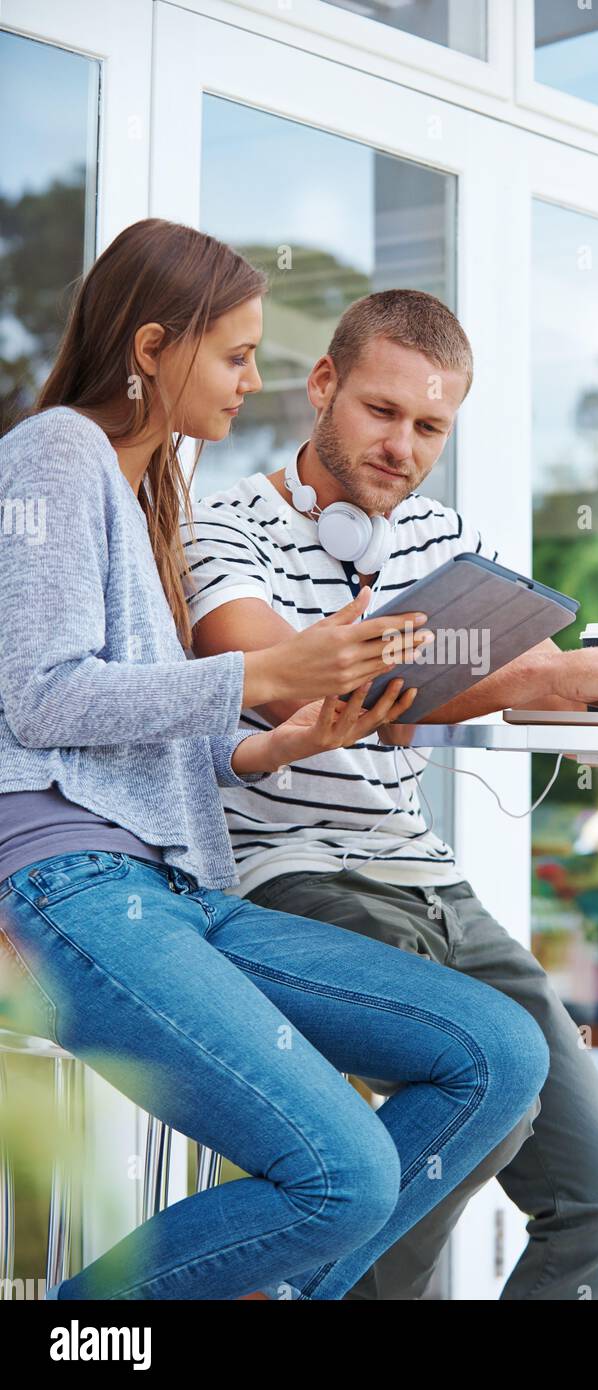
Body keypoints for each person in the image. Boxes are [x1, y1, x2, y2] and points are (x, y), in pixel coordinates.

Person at [0, 221, 550, 1301]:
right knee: (343, 1177)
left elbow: (155, 734)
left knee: (500, 1050)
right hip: (66, 888)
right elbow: (40, 693)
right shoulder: (54, 452)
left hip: (173, 892)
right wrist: (264, 673)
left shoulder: (145, 491)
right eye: (236, 353)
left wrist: (282, 738)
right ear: (153, 346)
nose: (255, 380)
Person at [183, 288, 598, 1300]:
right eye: (382, 413)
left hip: (431, 885)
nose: (403, 447)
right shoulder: (223, 525)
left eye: (430, 426)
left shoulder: (438, 538)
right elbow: (268, 668)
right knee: (484, 1086)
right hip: (291, 882)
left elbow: (536, 666)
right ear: (323, 385)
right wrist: (545, 676)